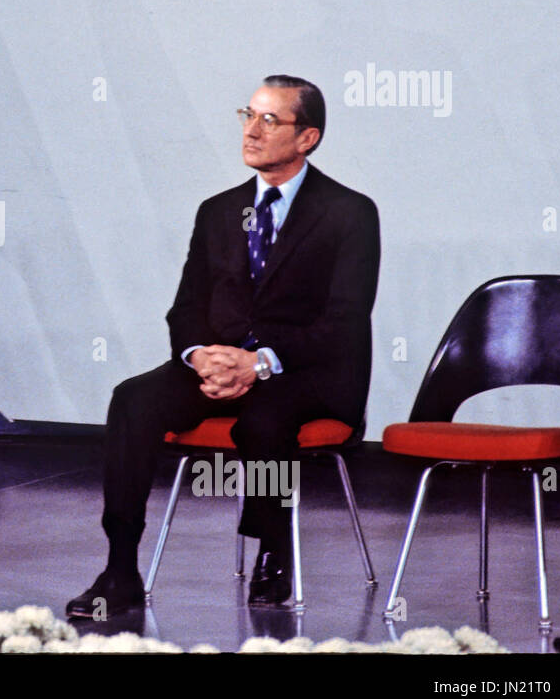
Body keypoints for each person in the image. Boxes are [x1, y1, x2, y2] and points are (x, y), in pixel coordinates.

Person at [66, 75, 379, 616]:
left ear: (307, 138)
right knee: (132, 398)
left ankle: (273, 550)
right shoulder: (218, 211)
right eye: (247, 115)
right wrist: (199, 356)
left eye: (270, 120)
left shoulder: (349, 213)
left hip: (306, 374)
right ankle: (119, 567)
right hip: (221, 367)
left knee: (265, 419)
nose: (251, 132)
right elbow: (185, 308)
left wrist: (260, 362)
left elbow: (346, 323)